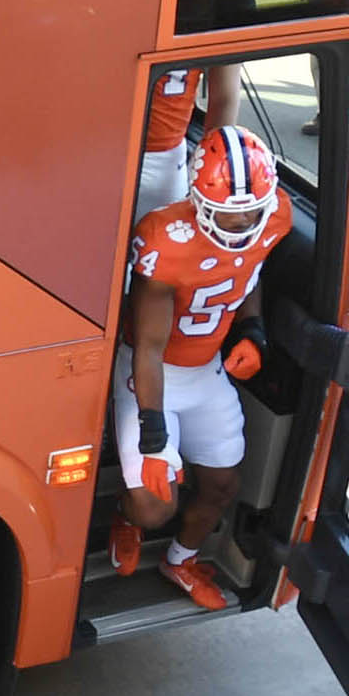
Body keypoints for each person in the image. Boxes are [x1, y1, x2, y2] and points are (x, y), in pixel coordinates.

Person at [110, 126, 291, 610]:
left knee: (223, 486)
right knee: (154, 505)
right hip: (151, 376)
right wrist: (153, 439)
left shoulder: (275, 216)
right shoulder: (166, 239)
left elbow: (248, 269)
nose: (244, 222)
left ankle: (180, 560)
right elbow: (148, 347)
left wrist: (253, 331)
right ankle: (126, 516)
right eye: (231, 213)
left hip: (206, 369)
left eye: (252, 211)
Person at [135, 65, 240, 221]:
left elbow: (223, 99)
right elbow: (224, 98)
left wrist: (211, 166)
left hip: (164, 158)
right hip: (108, 147)